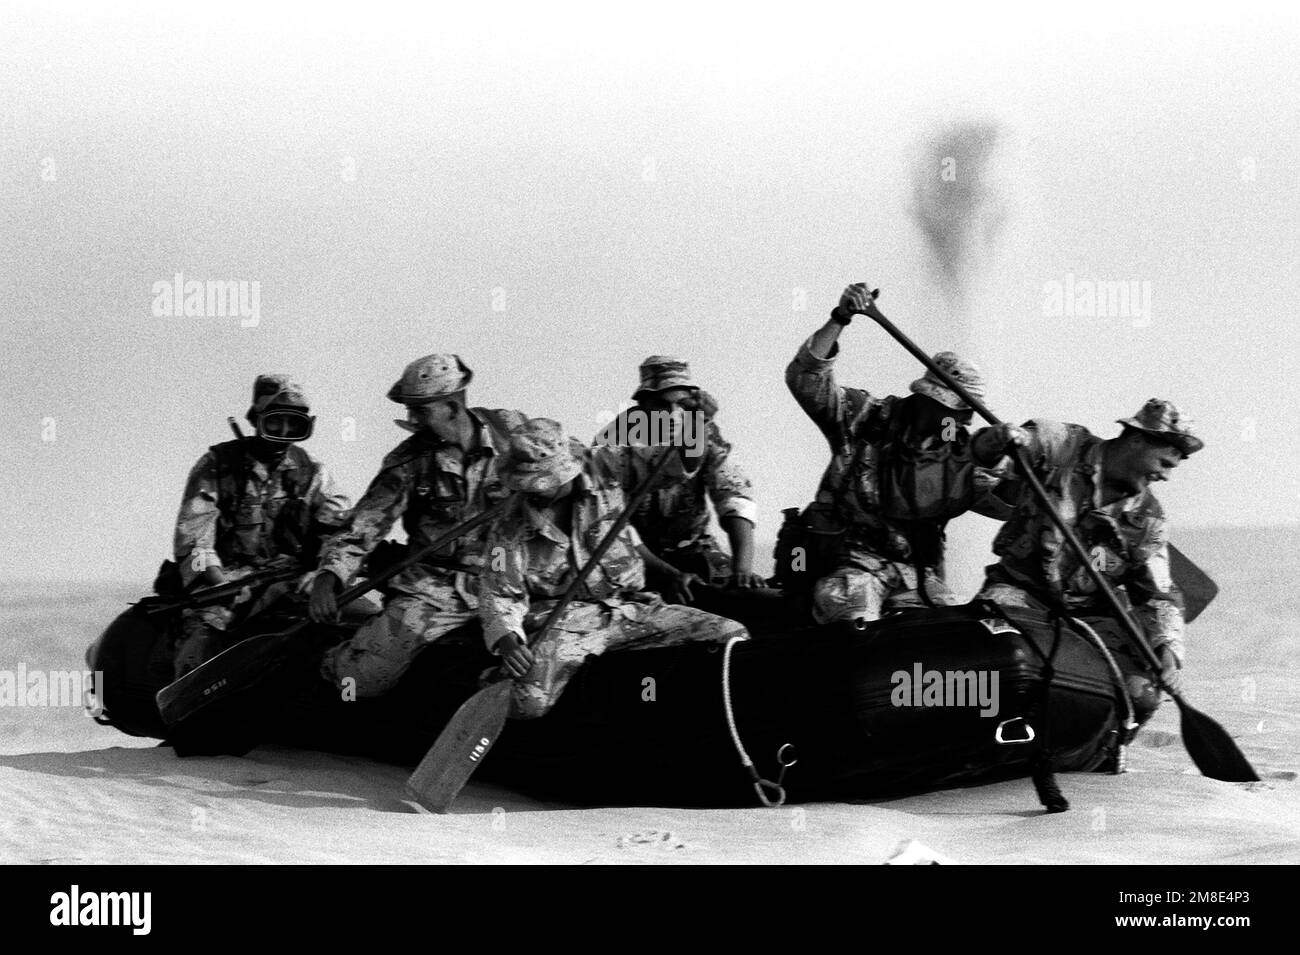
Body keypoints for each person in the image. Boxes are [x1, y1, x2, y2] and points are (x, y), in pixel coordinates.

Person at [782, 281, 1024, 624]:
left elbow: (1004, 507)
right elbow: (805, 379)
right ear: (930, 400)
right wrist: (840, 318)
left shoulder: (959, 454)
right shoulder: (864, 416)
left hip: (916, 576)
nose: (965, 419)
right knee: (856, 622)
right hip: (849, 564)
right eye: (958, 410)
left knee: (960, 635)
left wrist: (1014, 462)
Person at [479, 418, 749, 719]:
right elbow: (499, 590)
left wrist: (693, 427)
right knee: (528, 703)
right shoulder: (506, 529)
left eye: (541, 483)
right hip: (566, 624)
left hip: (630, 609)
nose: (532, 492)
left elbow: (675, 463)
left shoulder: (606, 472)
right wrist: (508, 642)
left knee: (730, 636)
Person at [307, 354, 527, 697]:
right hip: (432, 588)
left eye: (421, 410)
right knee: (364, 680)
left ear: (453, 407)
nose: (411, 420)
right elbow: (364, 526)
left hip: (506, 583)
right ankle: (324, 659)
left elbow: (560, 470)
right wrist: (329, 576)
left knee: (542, 659)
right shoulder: (408, 461)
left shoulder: (512, 433)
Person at [977, 399, 1202, 719]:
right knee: (994, 663)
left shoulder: (1149, 521)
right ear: (1137, 440)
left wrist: (1168, 653)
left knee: (1142, 696)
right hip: (1018, 594)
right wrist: (999, 441)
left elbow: (1157, 595)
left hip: (1088, 618)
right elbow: (990, 455)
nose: (1165, 476)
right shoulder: (1061, 445)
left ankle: (1098, 756)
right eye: (1164, 463)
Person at [171, 375, 351, 677]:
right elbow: (194, 540)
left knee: (360, 618)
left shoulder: (313, 472)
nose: (283, 432)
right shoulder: (218, 466)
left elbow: (341, 526)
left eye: (293, 424)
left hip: (295, 578)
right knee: (201, 650)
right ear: (256, 420)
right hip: (229, 582)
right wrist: (221, 585)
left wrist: (326, 574)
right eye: (274, 422)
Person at [593, 355, 763, 593]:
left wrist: (742, 568)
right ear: (643, 406)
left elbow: (733, 496)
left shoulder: (705, 433)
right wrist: (669, 575)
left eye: (683, 405)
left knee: (743, 595)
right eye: (662, 405)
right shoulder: (611, 446)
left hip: (693, 548)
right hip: (632, 554)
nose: (673, 414)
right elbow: (611, 526)